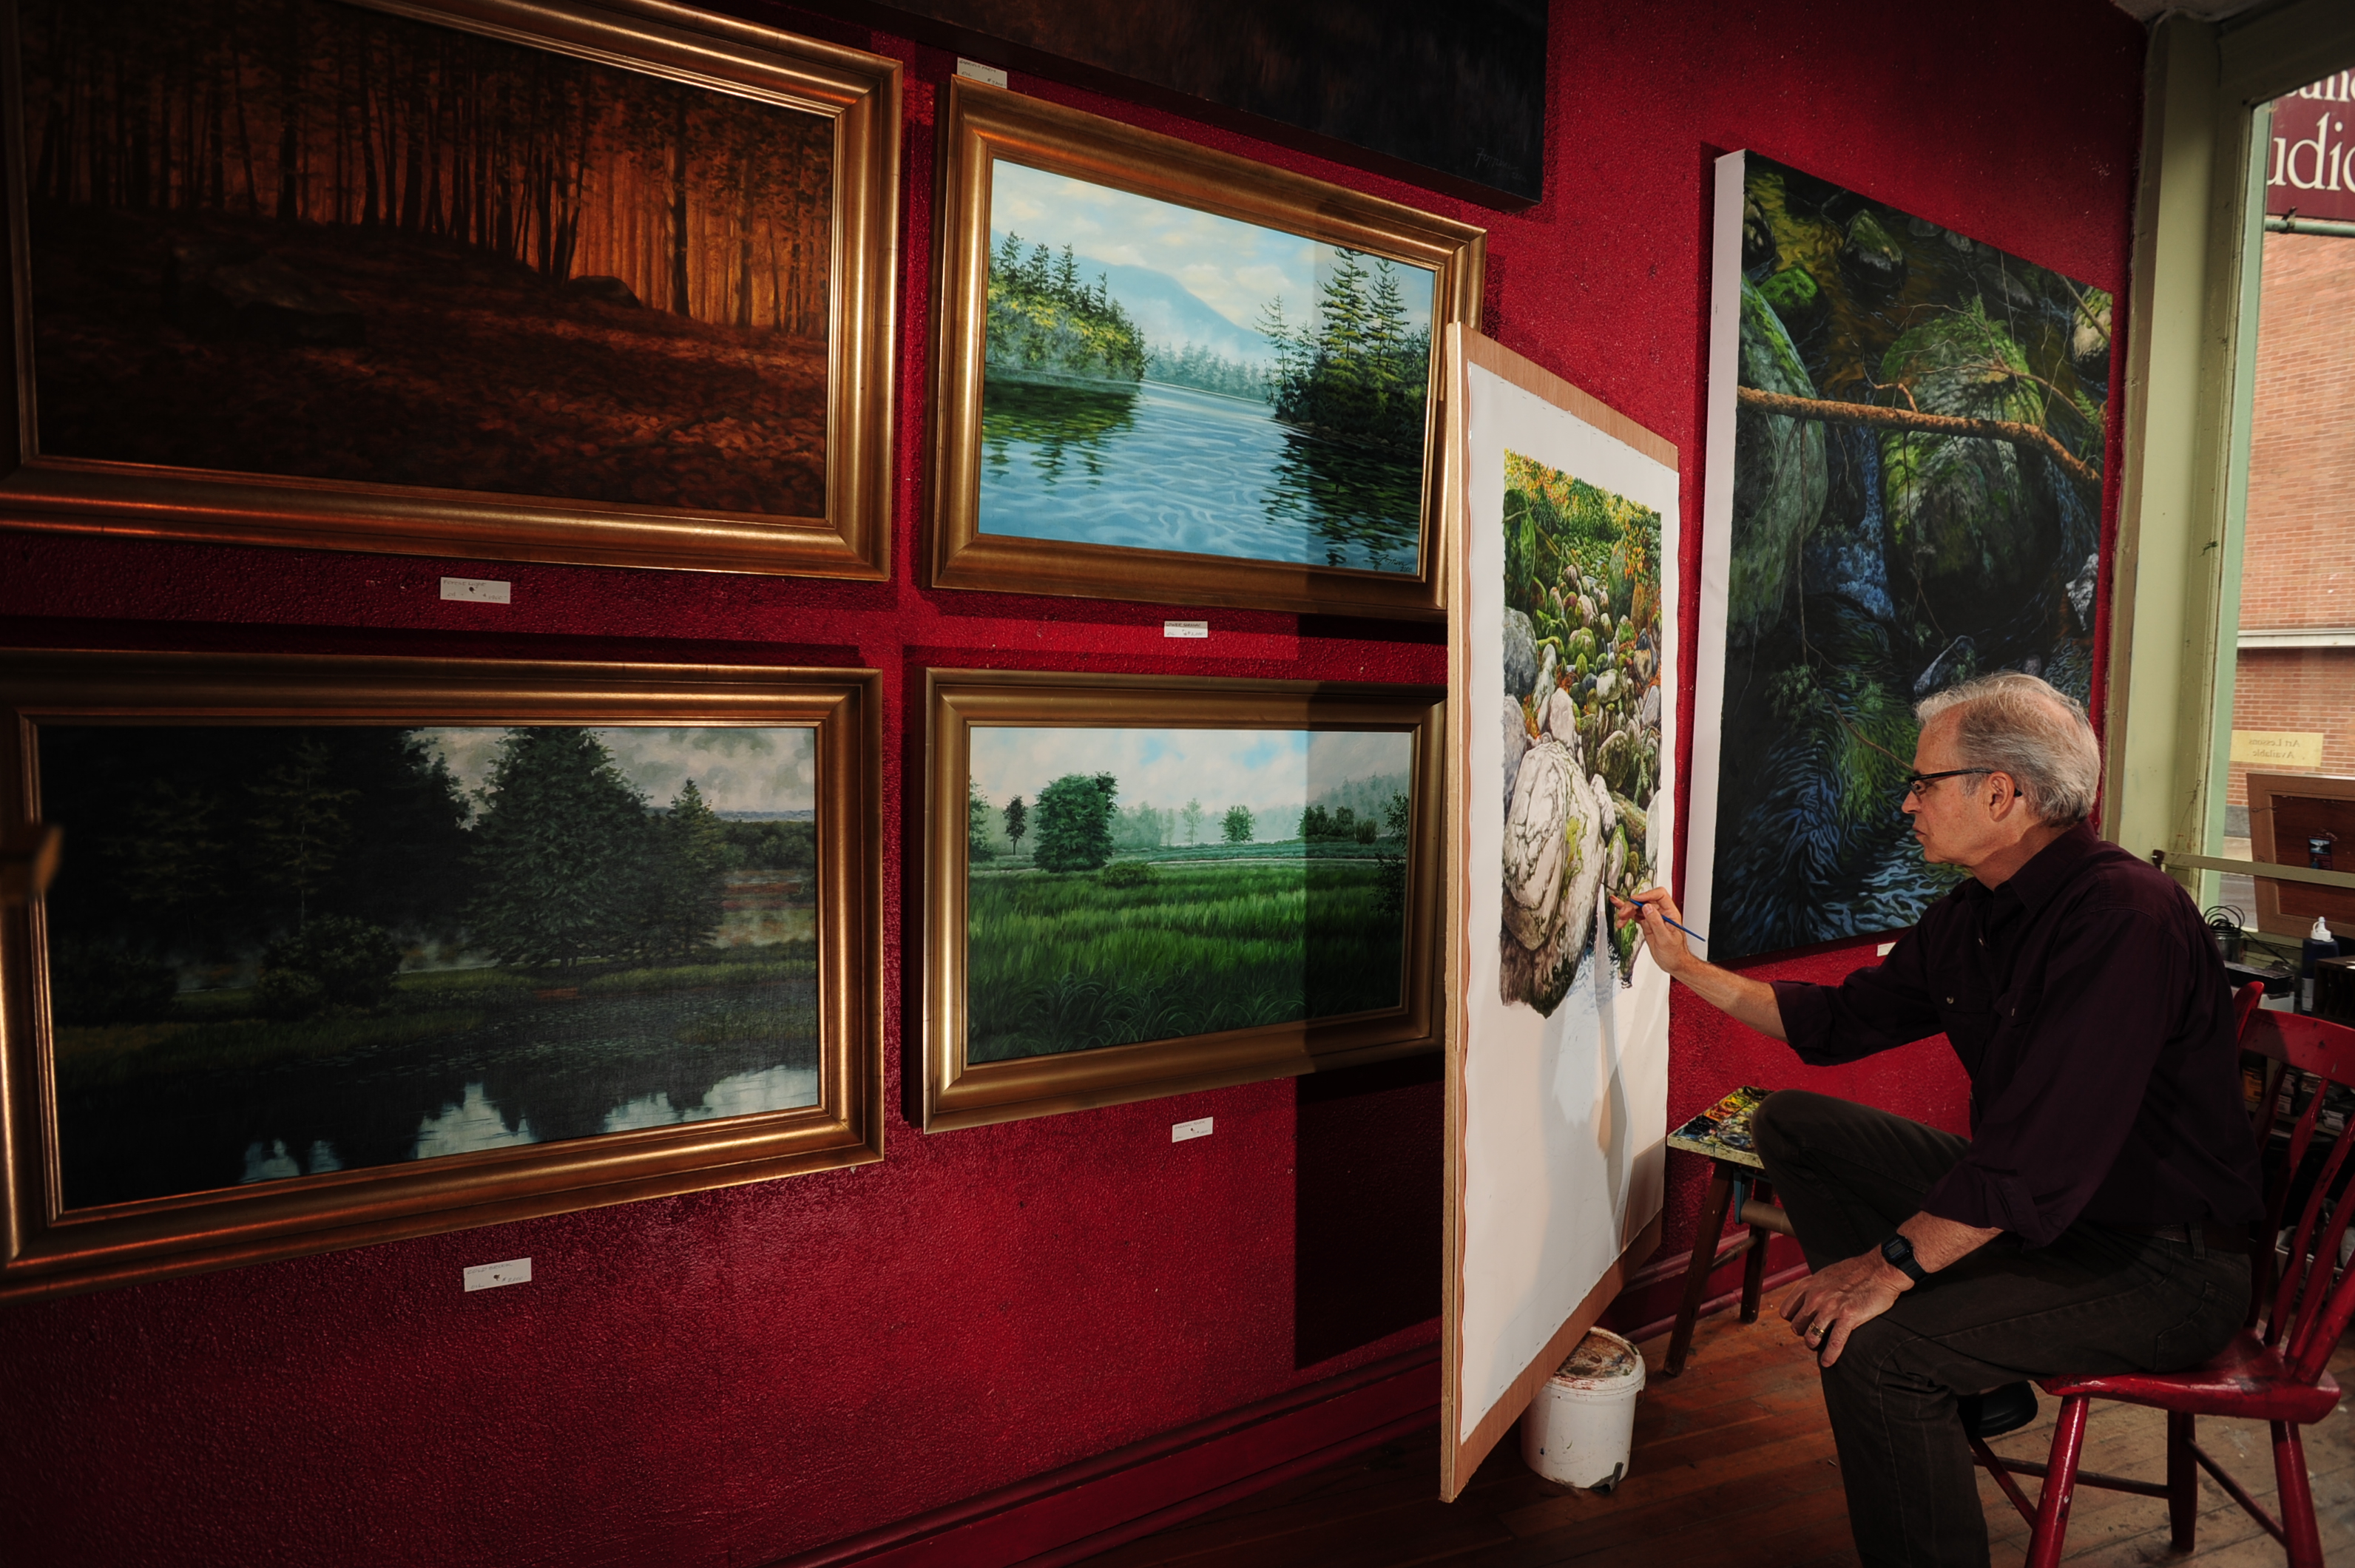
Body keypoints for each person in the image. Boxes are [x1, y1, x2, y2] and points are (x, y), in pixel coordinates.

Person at [1617, 672, 2263, 1568]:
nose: (1906, 803)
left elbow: (2035, 1160)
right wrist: (1685, 967)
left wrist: (1889, 1268)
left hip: (2162, 1261)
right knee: (1797, 1125)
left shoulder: (2123, 920)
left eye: (1922, 782)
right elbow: (1842, 1021)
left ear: (2000, 794)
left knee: (1876, 1350)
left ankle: (1932, 1368)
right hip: (2060, 1212)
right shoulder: (1978, 912)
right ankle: (1978, 1388)